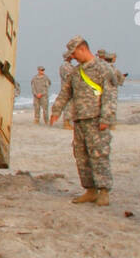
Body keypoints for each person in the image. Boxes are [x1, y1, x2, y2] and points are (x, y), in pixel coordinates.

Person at [50, 35, 117, 206]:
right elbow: (66, 92)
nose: (72, 57)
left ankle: (103, 191)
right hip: (79, 120)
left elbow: (110, 95)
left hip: (96, 119)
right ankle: (90, 190)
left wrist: (106, 118)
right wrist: (56, 110)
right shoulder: (75, 72)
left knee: (99, 154)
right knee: (81, 156)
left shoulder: (103, 68)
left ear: (83, 49)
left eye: (74, 53)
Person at [57, 52, 75, 129]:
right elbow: (69, 77)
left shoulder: (69, 65)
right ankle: (66, 123)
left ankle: (68, 122)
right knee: (68, 105)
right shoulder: (65, 66)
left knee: (71, 105)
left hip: (71, 88)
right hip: (67, 88)